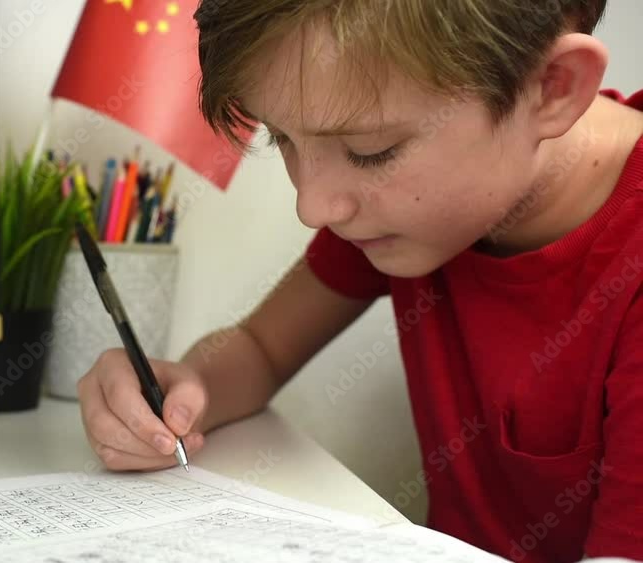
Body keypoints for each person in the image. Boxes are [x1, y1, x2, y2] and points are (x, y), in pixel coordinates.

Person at [76, 1, 643, 561]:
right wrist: (182, 390)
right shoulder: (421, 217)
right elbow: (260, 349)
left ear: (552, 86)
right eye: (283, 139)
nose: (314, 206)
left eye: (371, 152)